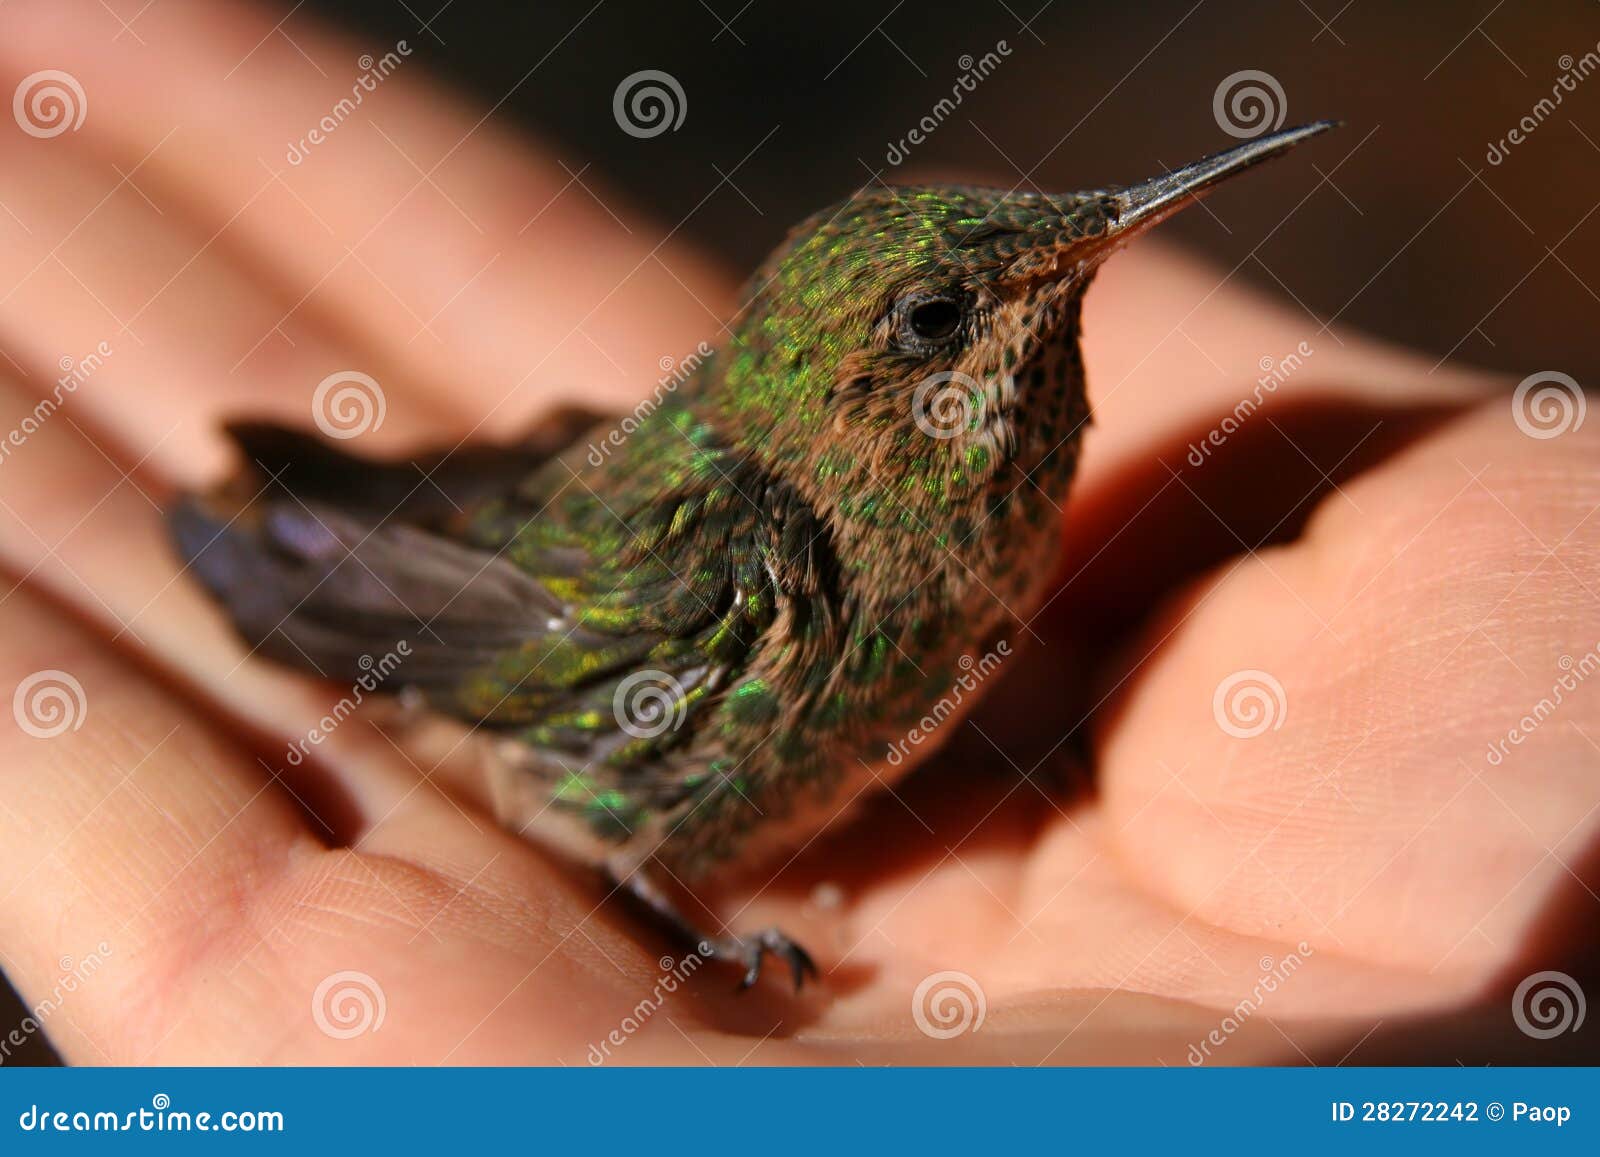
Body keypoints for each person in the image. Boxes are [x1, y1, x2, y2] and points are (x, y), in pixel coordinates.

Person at [0, 0, 1593, 1064]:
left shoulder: (989, 478)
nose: (1034, 298)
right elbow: (520, 643)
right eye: (946, 317)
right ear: (868, 384)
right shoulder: (747, 557)